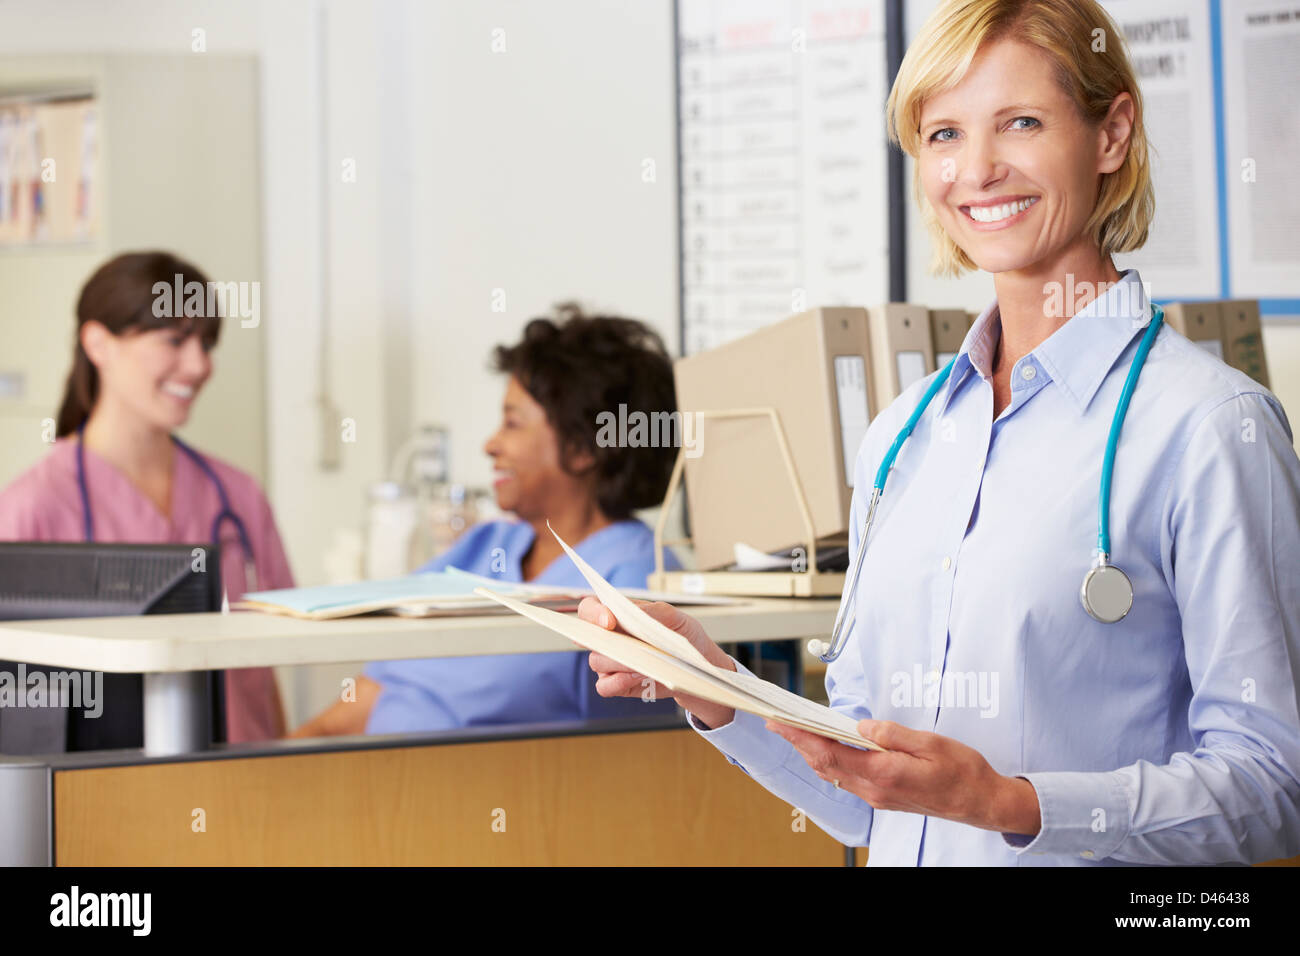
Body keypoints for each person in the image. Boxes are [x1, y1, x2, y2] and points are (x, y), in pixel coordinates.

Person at [578, 0, 1300, 866]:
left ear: (1111, 135)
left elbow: (1274, 785)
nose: (978, 170)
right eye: (945, 135)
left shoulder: (1211, 429)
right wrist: (714, 686)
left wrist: (1007, 804)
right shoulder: (902, 436)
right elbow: (864, 796)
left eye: (1021, 123)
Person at [290, 305, 681, 737]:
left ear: (583, 447)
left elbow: (633, 758)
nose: (491, 444)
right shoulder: (487, 545)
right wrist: (292, 752)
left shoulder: (638, 577)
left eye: (512, 423)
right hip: (367, 783)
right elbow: (376, 688)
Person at [0, 251, 293, 744]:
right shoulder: (32, 506)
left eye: (206, 343)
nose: (200, 365)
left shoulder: (238, 496)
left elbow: (270, 667)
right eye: (175, 340)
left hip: (248, 780)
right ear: (98, 343)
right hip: (106, 792)